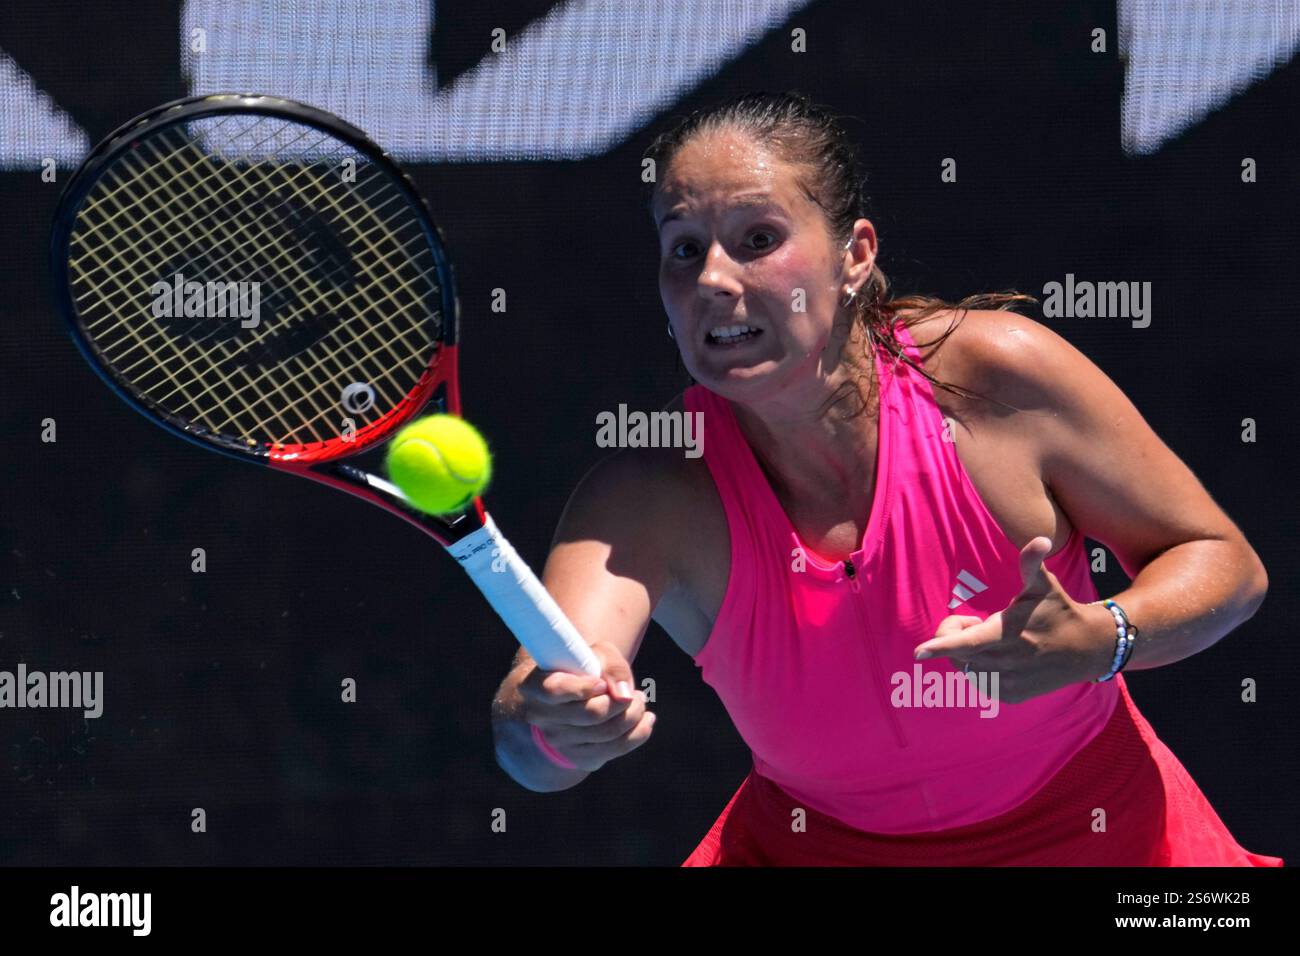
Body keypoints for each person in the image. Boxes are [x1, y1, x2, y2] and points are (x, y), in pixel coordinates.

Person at [489, 91, 1283, 866]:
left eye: (758, 238)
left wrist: (1105, 637)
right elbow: (533, 736)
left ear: (854, 255)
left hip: (1117, 839)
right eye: (685, 248)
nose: (714, 280)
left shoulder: (997, 377)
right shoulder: (646, 494)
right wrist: (553, 726)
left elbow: (1224, 563)